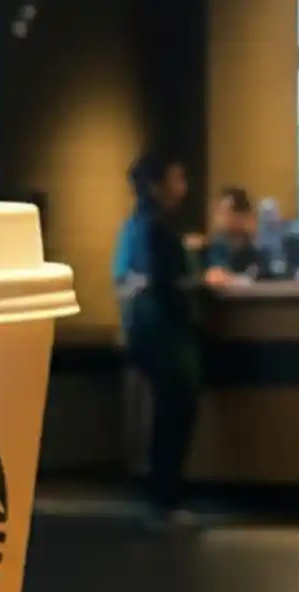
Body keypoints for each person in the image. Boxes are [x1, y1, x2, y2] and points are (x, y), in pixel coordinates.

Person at [114, 152, 200, 521]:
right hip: (164, 336)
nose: (183, 187)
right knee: (173, 414)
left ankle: (162, 495)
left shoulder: (137, 224)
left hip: (147, 335)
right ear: (156, 184)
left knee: (166, 414)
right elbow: (165, 281)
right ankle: (165, 498)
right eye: (176, 177)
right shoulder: (157, 227)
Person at [206, 187, 268, 281]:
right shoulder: (217, 244)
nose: (218, 216)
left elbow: (261, 273)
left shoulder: (254, 247)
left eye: (225, 211)